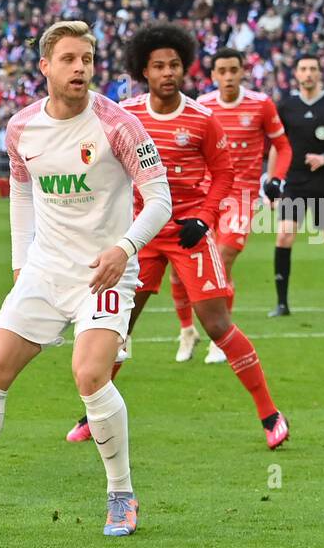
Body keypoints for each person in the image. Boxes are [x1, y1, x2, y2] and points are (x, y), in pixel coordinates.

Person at [0, 20, 173, 538]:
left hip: (104, 273)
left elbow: (162, 200)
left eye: (87, 60)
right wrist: (19, 263)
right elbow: (19, 193)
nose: (80, 68)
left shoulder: (118, 125)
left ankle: (121, 495)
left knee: (90, 375)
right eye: (69, 59)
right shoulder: (21, 128)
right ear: (45, 67)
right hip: (45, 270)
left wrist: (125, 249)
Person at [66, 23, 288, 450]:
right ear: (143, 72)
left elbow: (225, 173)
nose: (168, 72)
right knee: (118, 326)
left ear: (184, 69)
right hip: (138, 236)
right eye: (158, 66)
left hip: (189, 232)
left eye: (175, 65)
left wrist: (205, 218)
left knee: (217, 322)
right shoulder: (124, 115)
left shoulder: (203, 119)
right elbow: (99, 163)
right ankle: (92, 415)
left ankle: (270, 415)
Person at [191, 48, 293, 364]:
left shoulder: (261, 104)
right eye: (222, 71)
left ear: (243, 71)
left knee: (222, 259)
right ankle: (200, 331)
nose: (229, 77)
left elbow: (283, 146)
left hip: (242, 196)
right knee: (203, 267)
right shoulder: (202, 106)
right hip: (207, 195)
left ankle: (219, 339)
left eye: (234, 70)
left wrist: (275, 178)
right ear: (214, 75)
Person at [273, 53, 324, 316]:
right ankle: (282, 304)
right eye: (303, 69)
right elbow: (278, 145)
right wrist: (272, 180)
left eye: (313, 69)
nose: (308, 73)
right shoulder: (286, 106)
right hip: (295, 181)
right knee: (284, 236)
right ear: (296, 74)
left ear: (320, 73)